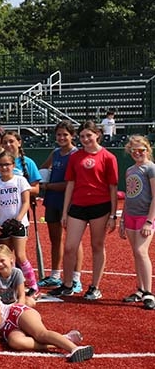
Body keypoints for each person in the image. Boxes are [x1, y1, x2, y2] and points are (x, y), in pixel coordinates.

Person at [49, 120, 118, 300]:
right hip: (78, 206)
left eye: (89, 135)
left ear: (97, 135)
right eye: (82, 136)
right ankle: (67, 284)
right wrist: (64, 212)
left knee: (97, 245)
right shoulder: (75, 157)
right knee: (70, 247)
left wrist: (112, 214)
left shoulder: (108, 157)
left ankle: (95, 286)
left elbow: (112, 188)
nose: (86, 139)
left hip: (100, 207)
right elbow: (70, 184)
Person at [38, 121, 83, 292]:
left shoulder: (76, 154)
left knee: (74, 241)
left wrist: (47, 186)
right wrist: (43, 180)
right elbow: (43, 168)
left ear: (72, 136)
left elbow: (70, 183)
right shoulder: (55, 153)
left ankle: (75, 278)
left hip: (70, 202)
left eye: (65, 134)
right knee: (55, 239)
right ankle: (55, 276)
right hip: (52, 201)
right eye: (59, 135)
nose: (62, 137)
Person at [0, 151, 39, 294]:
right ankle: (6, 286)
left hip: (19, 224)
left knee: (20, 256)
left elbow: (25, 202)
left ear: (13, 165)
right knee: (4, 257)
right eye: (1, 165)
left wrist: (18, 220)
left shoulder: (20, 180)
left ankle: (33, 286)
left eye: (7, 164)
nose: (4, 168)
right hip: (3, 225)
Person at [120, 135, 155, 309]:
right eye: (133, 150)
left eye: (140, 150)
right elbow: (128, 196)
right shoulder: (129, 170)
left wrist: (149, 221)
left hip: (144, 216)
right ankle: (140, 289)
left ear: (147, 150)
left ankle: (149, 292)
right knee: (136, 253)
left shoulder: (151, 168)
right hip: (130, 216)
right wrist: (122, 219)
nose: (137, 153)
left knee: (142, 251)